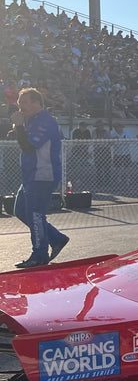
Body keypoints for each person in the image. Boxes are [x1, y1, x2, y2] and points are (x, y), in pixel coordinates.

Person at [11, 88, 70, 268]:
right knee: (21, 209)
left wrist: (19, 127)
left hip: (43, 175)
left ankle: (39, 255)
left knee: (35, 214)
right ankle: (56, 238)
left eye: (24, 102)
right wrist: (19, 129)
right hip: (31, 175)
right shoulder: (33, 120)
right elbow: (27, 142)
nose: (20, 106)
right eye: (19, 102)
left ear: (37, 103)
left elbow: (30, 146)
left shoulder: (45, 121)